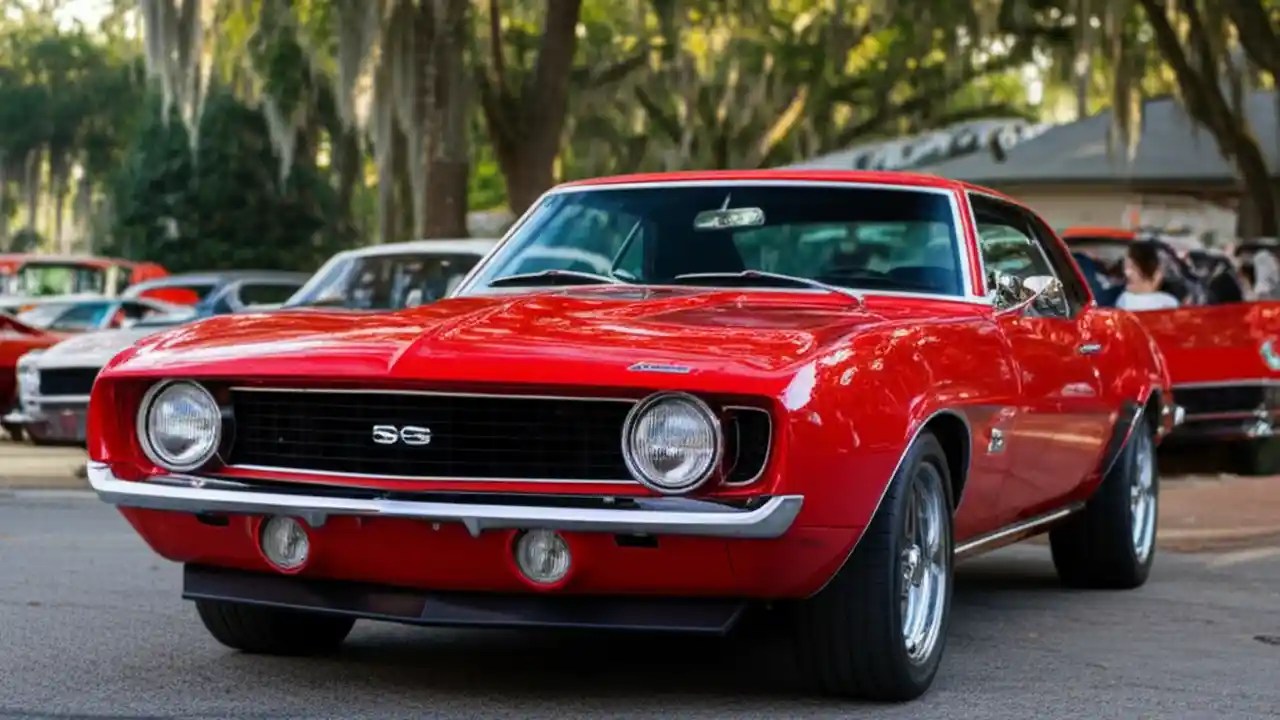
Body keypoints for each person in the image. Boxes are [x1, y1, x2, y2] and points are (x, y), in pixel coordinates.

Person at [1116, 240, 1179, 311]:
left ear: (1157, 274)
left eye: (1134, 267)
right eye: (1126, 267)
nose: (1127, 272)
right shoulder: (1124, 300)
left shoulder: (1168, 303)